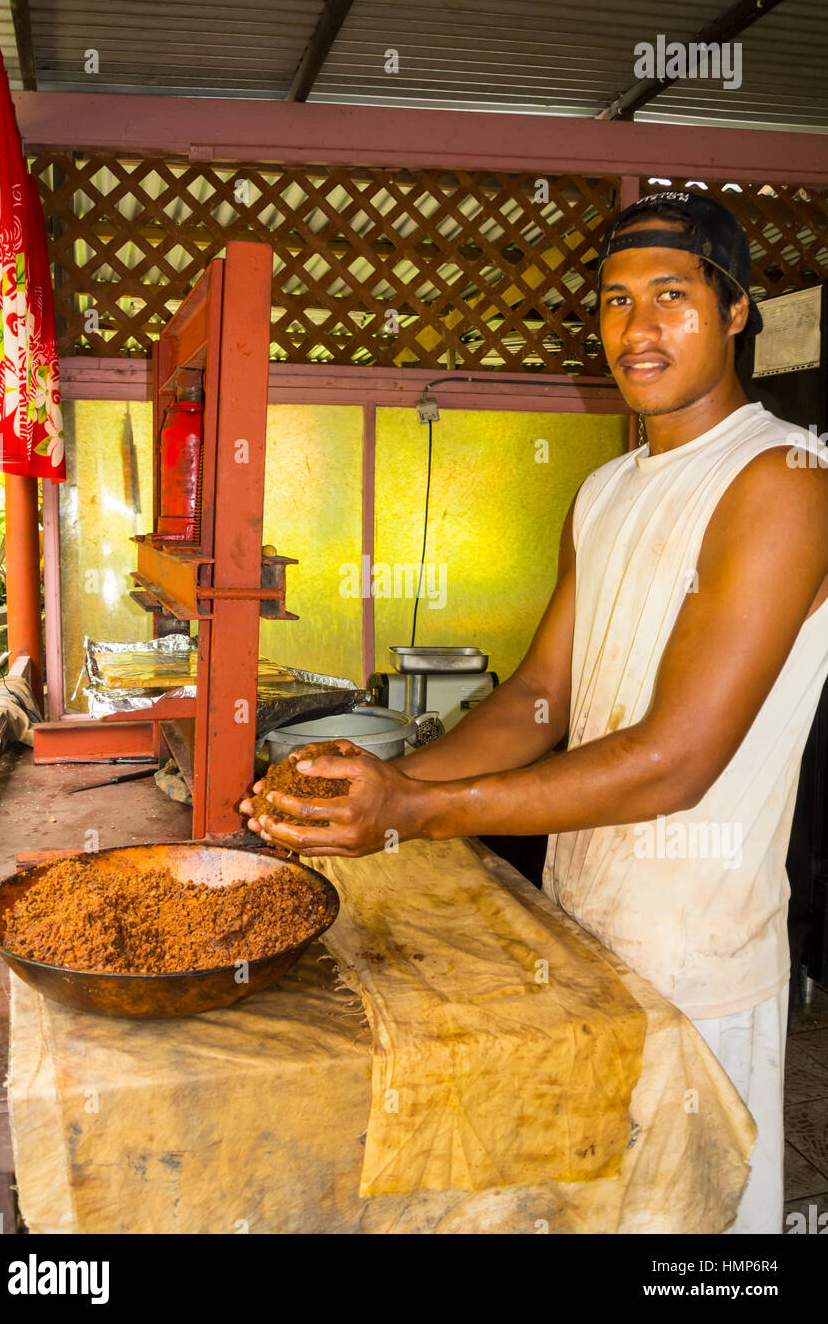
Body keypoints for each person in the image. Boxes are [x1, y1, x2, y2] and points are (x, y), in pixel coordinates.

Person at [241, 191, 828, 1233]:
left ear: (736, 311)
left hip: (700, 961)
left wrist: (413, 815)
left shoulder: (782, 479)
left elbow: (673, 763)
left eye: (670, 296)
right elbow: (539, 700)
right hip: (581, 937)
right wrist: (372, 790)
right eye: (612, 301)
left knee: (689, 1230)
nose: (636, 329)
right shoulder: (604, 492)